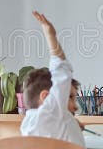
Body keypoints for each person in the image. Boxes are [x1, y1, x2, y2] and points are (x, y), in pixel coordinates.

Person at [19, 11, 85, 147]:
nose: (76, 106)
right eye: (70, 97)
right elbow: (61, 69)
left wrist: (70, 123)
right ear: (46, 97)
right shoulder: (50, 112)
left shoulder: (31, 123)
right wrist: (51, 36)